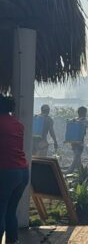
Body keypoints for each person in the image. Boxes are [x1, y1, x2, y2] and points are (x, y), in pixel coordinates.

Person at [0, 95, 29, 244]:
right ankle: (13, 241)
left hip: (6, 172)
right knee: (10, 211)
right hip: (22, 172)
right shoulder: (17, 123)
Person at [67, 106, 88, 173]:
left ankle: (75, 171)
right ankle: (75, 172)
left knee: (77, 157)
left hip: (74, 142)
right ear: (84, 113)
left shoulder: (75, 119)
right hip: (78, 142)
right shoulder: (83, 120)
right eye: (85, 112)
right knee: (77, 158)